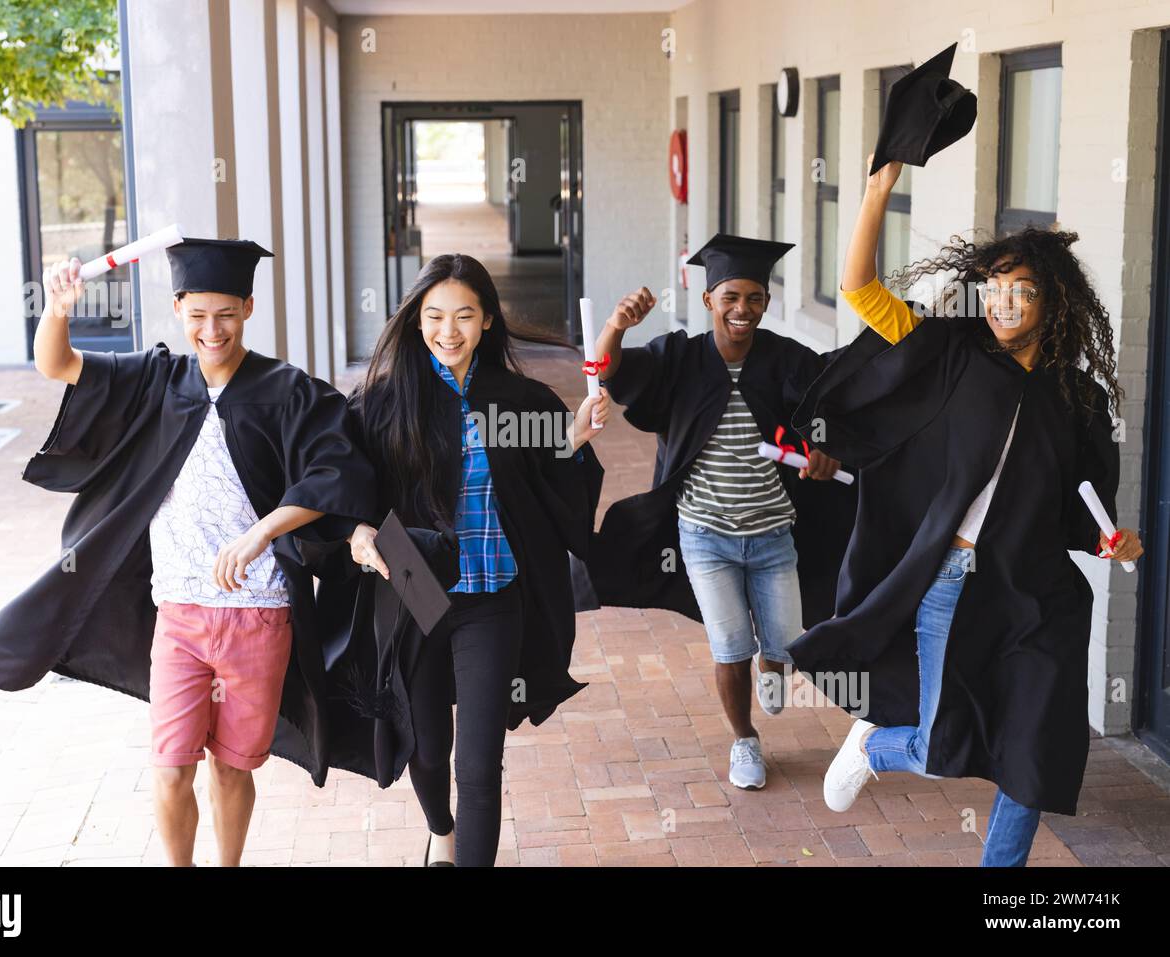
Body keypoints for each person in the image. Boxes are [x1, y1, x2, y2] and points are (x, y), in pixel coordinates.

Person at [0, 239, 377, 866]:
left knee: (233, 771)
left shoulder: (286, 390)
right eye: (196, 315)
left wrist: (262, 531)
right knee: (169, 769)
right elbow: (57, 365)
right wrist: (58, 307)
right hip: (179, 618)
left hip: (258, 616)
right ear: (179, 307)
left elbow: (333, 474)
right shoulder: (156, 380)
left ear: (247, 307)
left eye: (226, 314)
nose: (211, 330)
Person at [795, 156, 1143, 866]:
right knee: (940, 743)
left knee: (1036, 751)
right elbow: (859, 288)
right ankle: (879, 744)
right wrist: (876, 192)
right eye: (995, 287)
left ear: (1055, 301)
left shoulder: (1077, 401)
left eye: (1023, 289)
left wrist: (1114, 541)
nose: (1004, 302)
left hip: (1036, 594)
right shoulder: (949, 351)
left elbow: (1084, 508)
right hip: (950, 578)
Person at [335, 253, 607, 866]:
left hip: (493, 597)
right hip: (415, 587)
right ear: (416, 320)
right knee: (428, 747)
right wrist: (354, 529)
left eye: (464, 315)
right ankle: (440, 830)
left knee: (478, 764)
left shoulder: (519, 399)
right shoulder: (385, 402)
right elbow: (344, 481)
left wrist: (575, 440)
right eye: (434, 316)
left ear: (487, 320)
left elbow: (547, 475)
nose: (448, 331)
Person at [586, 235, 857, 790]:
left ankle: (772, 669)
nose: (743, 309)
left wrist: (823, 453)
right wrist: (617, 324)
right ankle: (744, 741)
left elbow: (830, 411)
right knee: (731, 647)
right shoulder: (679, 358)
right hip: (704, 534)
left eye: (755, 298)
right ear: (709, 299)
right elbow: (610, 372)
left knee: (782, 648)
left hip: (774, 532)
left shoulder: (785, 359)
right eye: (731, 296)